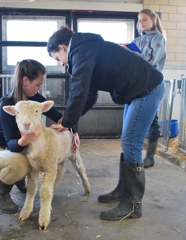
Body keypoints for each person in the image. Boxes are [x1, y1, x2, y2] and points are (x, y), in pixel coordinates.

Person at [47, 26, 166, 221]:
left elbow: (79, 91)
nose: (60, 63)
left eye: (57, 57)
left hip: (147, 88)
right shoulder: (87, 49)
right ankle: (123, 191)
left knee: (131, 143)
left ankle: (133, 204)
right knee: (127, 142)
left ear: (62, 47)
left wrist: (67, 121)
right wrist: (67, 120)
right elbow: (89, 95)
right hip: (137, 91)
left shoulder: (81, 51)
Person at [0, 59, 66, 214]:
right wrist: (27, 138)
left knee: (34, 157)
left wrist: (71, 130)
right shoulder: (6, 104)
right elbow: (12, 144)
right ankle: (2, 193)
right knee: (20, 163)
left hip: (19, 149)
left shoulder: (34, 99)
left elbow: (58, 116)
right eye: (38, 84)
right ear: (25, 80)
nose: (39, 88)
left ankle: (21, 182)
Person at [122, 9, 167, 169]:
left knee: (152, 122)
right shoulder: (137, 40)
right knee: (131, 133)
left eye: (144, 20)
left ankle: (149, 156)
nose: (141, 23)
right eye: (139, 20)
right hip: (137, 85)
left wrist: (130, 51)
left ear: (154, 20)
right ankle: (135, 159)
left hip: (151, 84)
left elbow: (151, 59)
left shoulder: (159, 39)